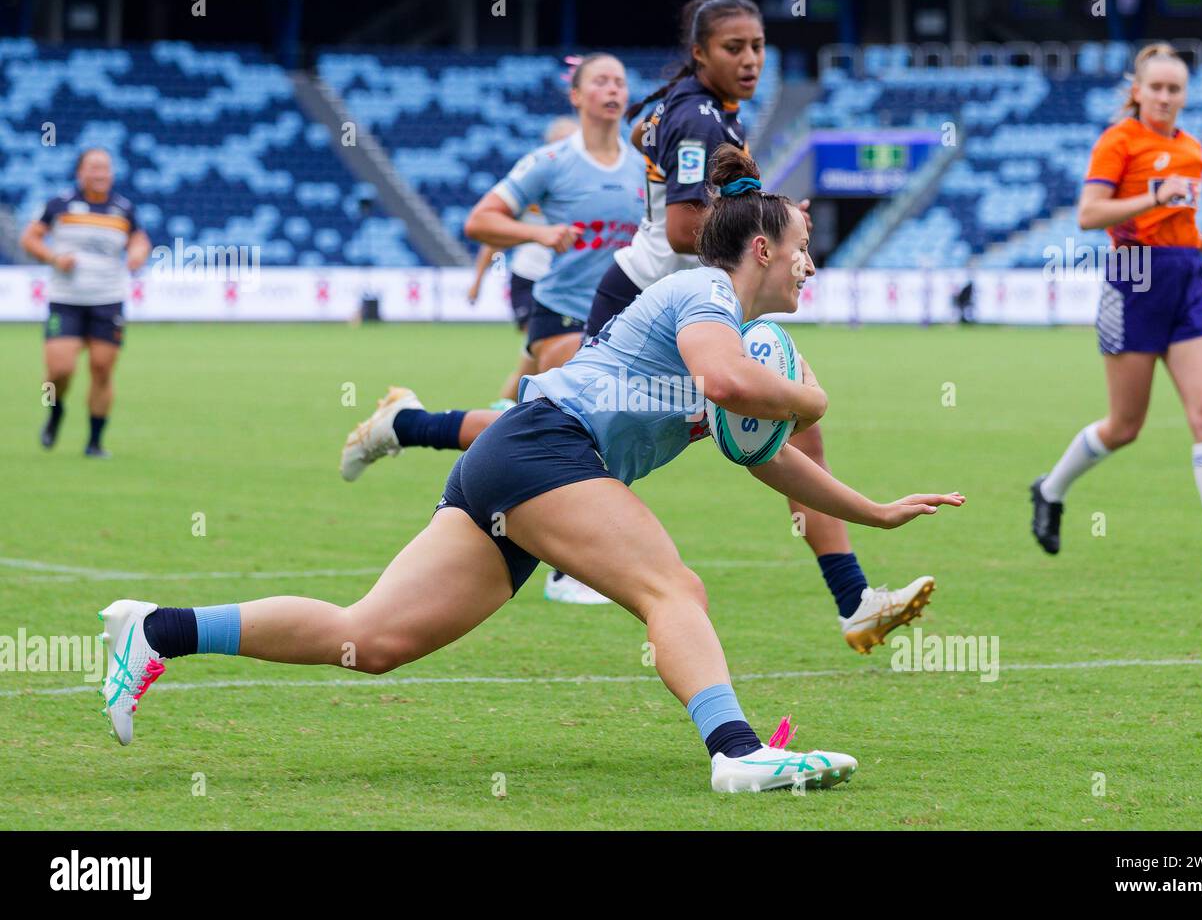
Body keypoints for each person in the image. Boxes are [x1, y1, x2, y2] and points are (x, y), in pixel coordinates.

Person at [96, 147, 964, 793]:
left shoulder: (737, 330)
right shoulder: (706, 298)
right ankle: (739, 755)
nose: (814, 265)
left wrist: (874, 512)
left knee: (374, 639)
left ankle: (154, 629)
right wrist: (813, 402)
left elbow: (763, 456)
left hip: (514, 459)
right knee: (675, 591)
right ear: (764, 250)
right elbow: (735, 386)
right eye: (806, 246)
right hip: (546, 448)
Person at [584, 0, 938, 650]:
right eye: (733, 48)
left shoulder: (707, 113)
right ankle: (413, 427)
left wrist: (766, 216)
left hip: (697, 312)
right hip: (652, 307)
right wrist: (758, 225)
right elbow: (689, 227)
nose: (750, 61)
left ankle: (855, 599)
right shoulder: (699, 119)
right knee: (573, 435)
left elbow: (648, 140)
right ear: (700, 53)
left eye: (757, 47)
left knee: (793, 435)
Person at [341, 56, 642, 605]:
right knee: (587, 425)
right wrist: (541, 232)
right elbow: (480, 221)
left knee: (537, 430)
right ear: (575, 95)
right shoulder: (550, 162)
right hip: (563, 316)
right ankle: (566, 570)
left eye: (621, 81)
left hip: (620, 324)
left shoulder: (642, 167)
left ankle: (406, 424)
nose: (612, 89)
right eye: (600, 80)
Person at [1030, 43, 1202, 579]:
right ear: (1138, 91)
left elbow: (1178, 218)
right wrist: (1153, 197)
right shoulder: (1117, 142)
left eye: (1175, 89)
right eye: (1156, 87)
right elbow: (1089, 215)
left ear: (1186, 95)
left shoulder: (1192, 148)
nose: (1165, 97)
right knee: (1124, 426)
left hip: (1185, 279)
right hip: (1133, 281)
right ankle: (1050, 490)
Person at [20, 148, 151, 458]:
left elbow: (140, 239)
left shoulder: (123, 209)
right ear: (80, 172)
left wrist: (137, 253)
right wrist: (54, 257)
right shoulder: (59, 204)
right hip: (67, 300)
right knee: (59, 370)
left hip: (108, 299)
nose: (100, 173)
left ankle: (94, 442)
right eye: (94, 167)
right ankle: (54, 413)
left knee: (102, 369)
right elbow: (30, 238)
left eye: (105, 168)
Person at [465, 116, 579, 409]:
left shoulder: (583, 185)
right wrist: (477, 280)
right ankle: (526, 417)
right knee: (549, 353)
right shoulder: (531, 184)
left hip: (569, 281)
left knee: (537, 355)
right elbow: (491, 234)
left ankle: (503, 414)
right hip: (529, 278)